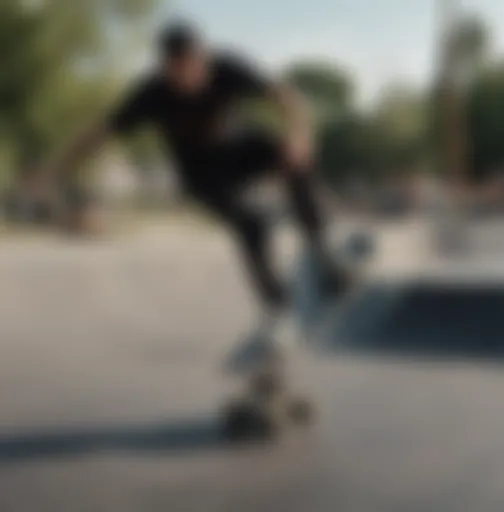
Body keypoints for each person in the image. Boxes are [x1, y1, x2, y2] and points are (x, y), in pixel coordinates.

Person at [42, 22, 348, 362]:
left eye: (195, 67)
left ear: (203, 58)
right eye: (179, 72)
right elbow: (98, 131)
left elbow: (287, 98)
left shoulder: (227, 67)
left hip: (241, 149)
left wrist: (300, 135)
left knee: (294, 159)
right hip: (202, 175)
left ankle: (323, 253)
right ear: (165, 68)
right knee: (252, 225)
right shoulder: (151, 94)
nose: (190, 78)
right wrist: (54, 169)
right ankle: (277, 310)